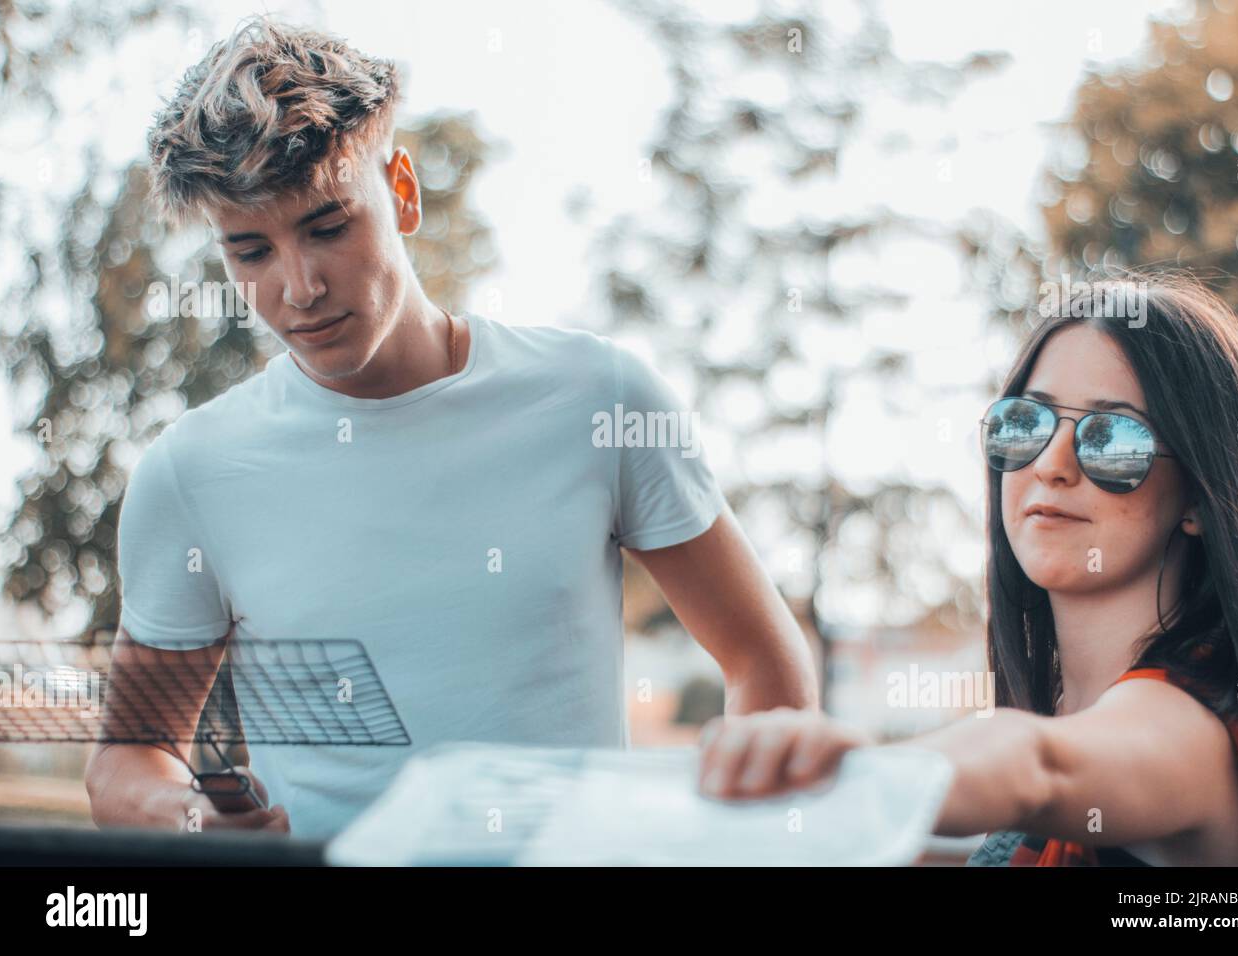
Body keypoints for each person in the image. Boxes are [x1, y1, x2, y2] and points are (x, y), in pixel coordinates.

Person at [85, 15, 817, 841]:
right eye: (249, 251)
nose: (298, 287)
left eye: (328, 227)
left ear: (401, 189)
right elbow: (126, 759)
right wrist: (190, 817)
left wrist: (741, 833)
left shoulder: (599, 399)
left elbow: (765, 662)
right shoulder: (193, 472)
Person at [697, 274, 1238, 866]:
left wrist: (865, 777)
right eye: (1026, 423)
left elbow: (1035, 767)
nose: (1052, 465)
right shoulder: (1069, 716)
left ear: (1198, 497)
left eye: (1112, 436)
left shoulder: (1194, 725)